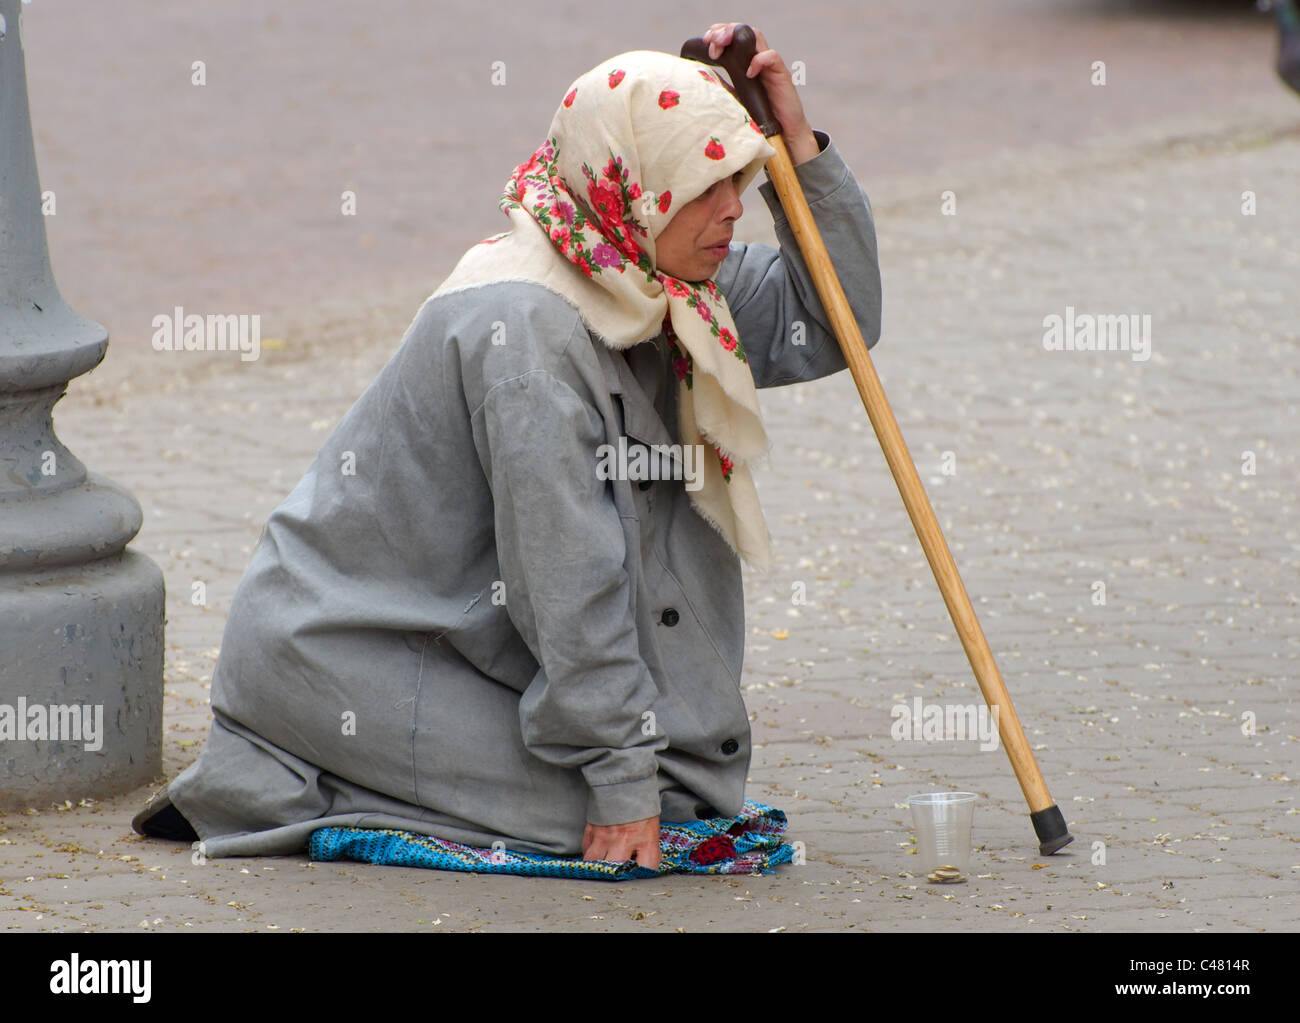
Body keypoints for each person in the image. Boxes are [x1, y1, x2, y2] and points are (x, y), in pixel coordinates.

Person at [132, 23, 883, 872]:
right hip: (350, 649)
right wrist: (619, 784)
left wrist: (798, 150)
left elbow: (837, 323)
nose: (734, 206)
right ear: (637, 185)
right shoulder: (526, 326)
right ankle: (281, 768)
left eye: (739, 178)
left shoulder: (662, 274)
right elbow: (564, 575)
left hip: (463, 649)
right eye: (708, 181)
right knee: (630, 811)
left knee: (680, 788)